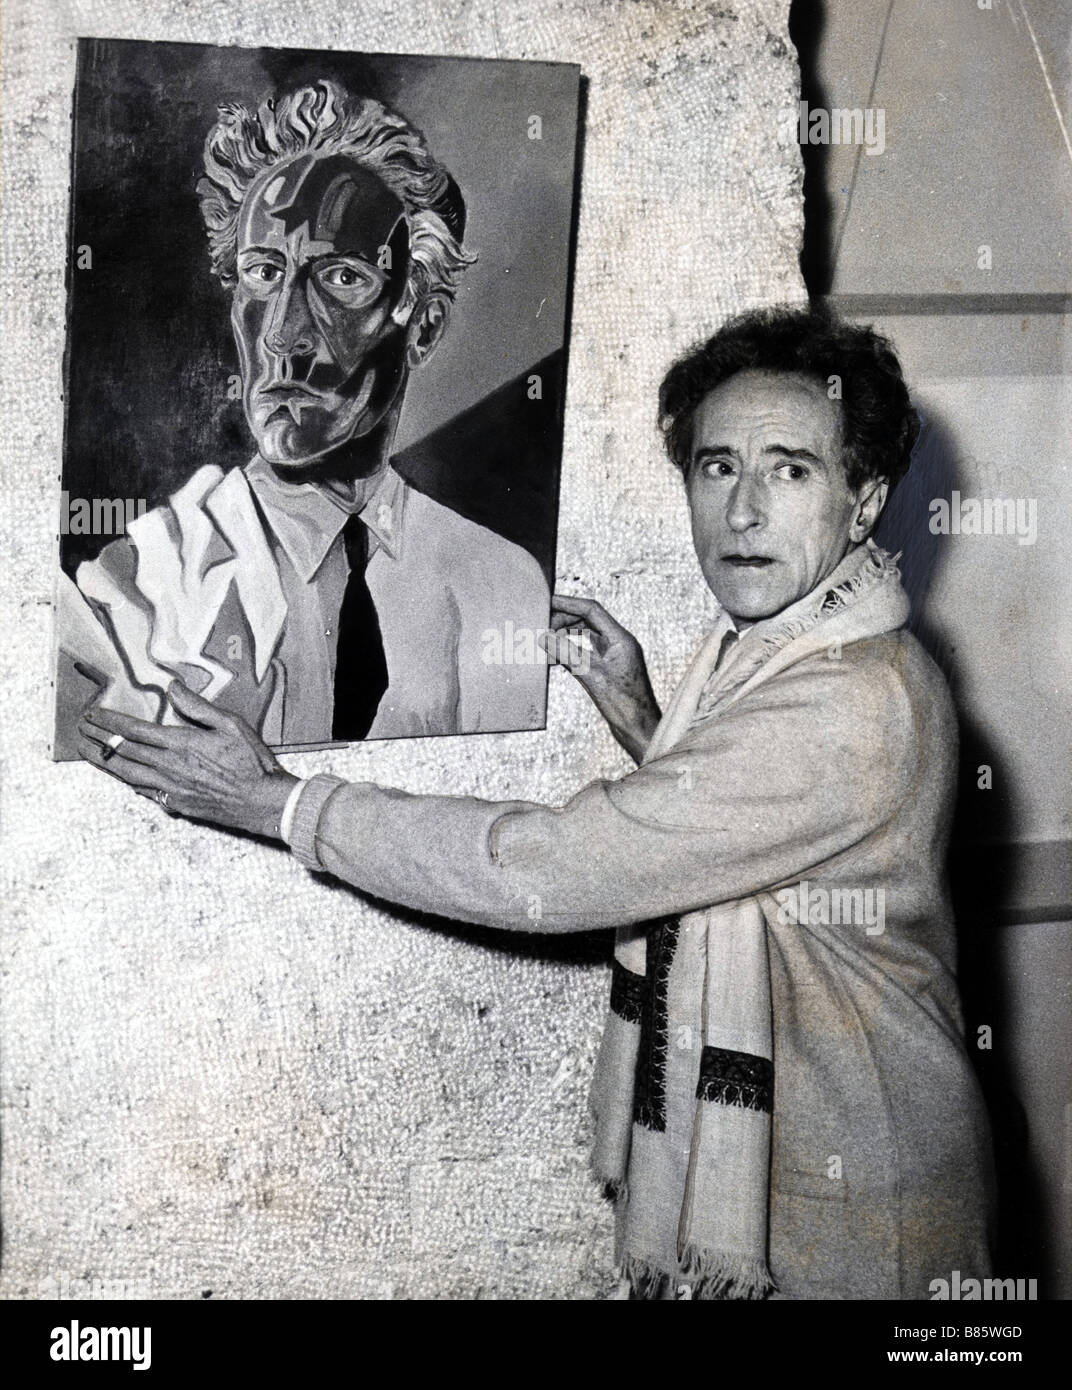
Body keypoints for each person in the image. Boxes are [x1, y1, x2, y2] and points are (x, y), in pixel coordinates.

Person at [76, 304, 996, 1300]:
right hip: (815, 1171)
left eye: (791, 469)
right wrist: (644, 715)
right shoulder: (793, 652)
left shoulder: (852, 697)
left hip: (869, 1208)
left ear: (863, 502)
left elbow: (552, 869)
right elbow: (752, 833)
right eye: (716, 465)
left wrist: (276, 802)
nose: (741, 510)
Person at [55, 79, 550, 754]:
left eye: (343, 278)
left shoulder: (500, 583)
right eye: (262, 272)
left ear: (424, 327)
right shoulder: (134, 589)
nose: (285, 335)